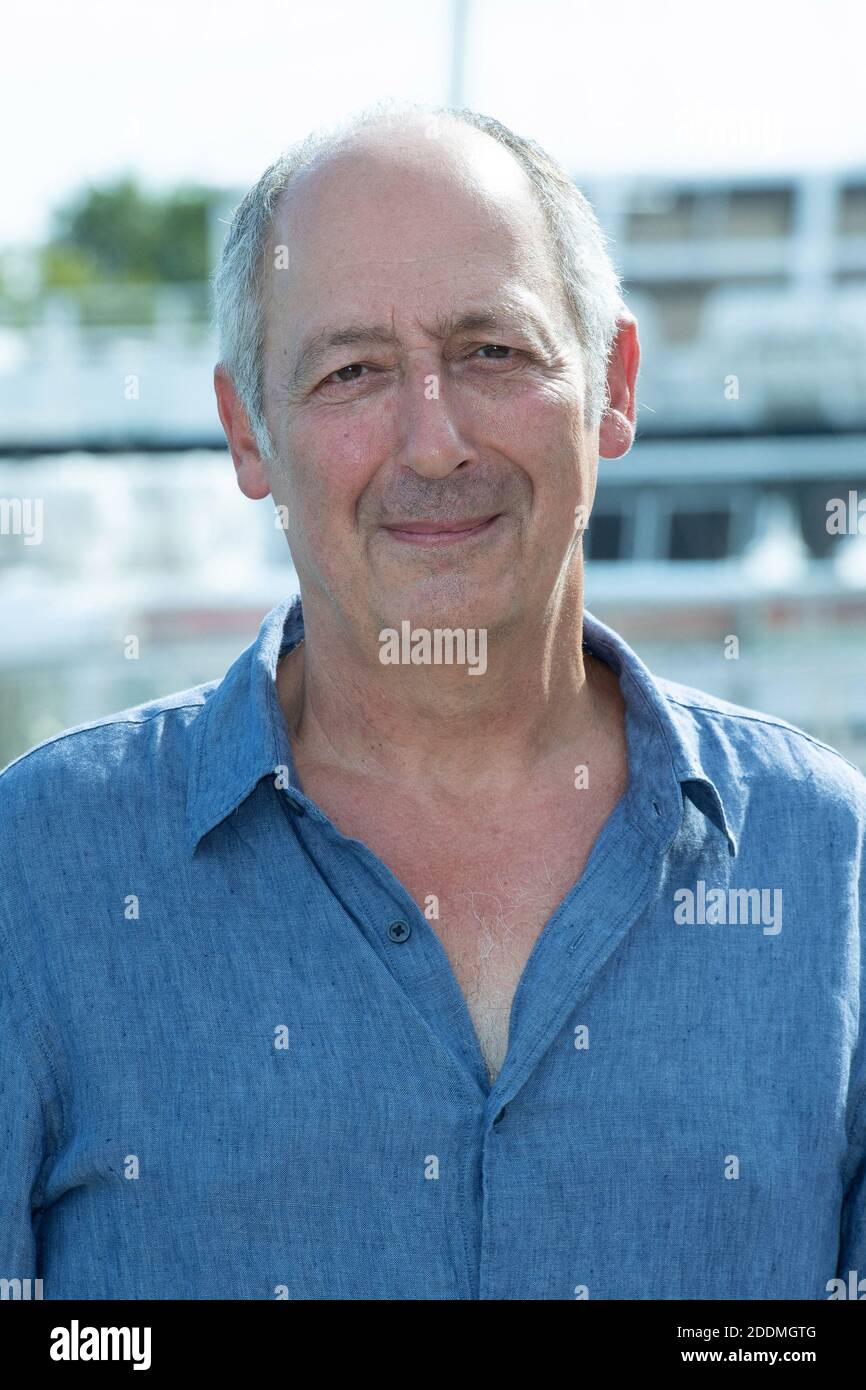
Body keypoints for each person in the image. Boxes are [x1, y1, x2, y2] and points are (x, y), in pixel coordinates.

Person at [1, 100, 863, 1301]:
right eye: (351, 372)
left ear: (612, 385)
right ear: (247, 432)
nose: (435, 440)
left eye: (490, 352)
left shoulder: (831, 867)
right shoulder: (38, 872)